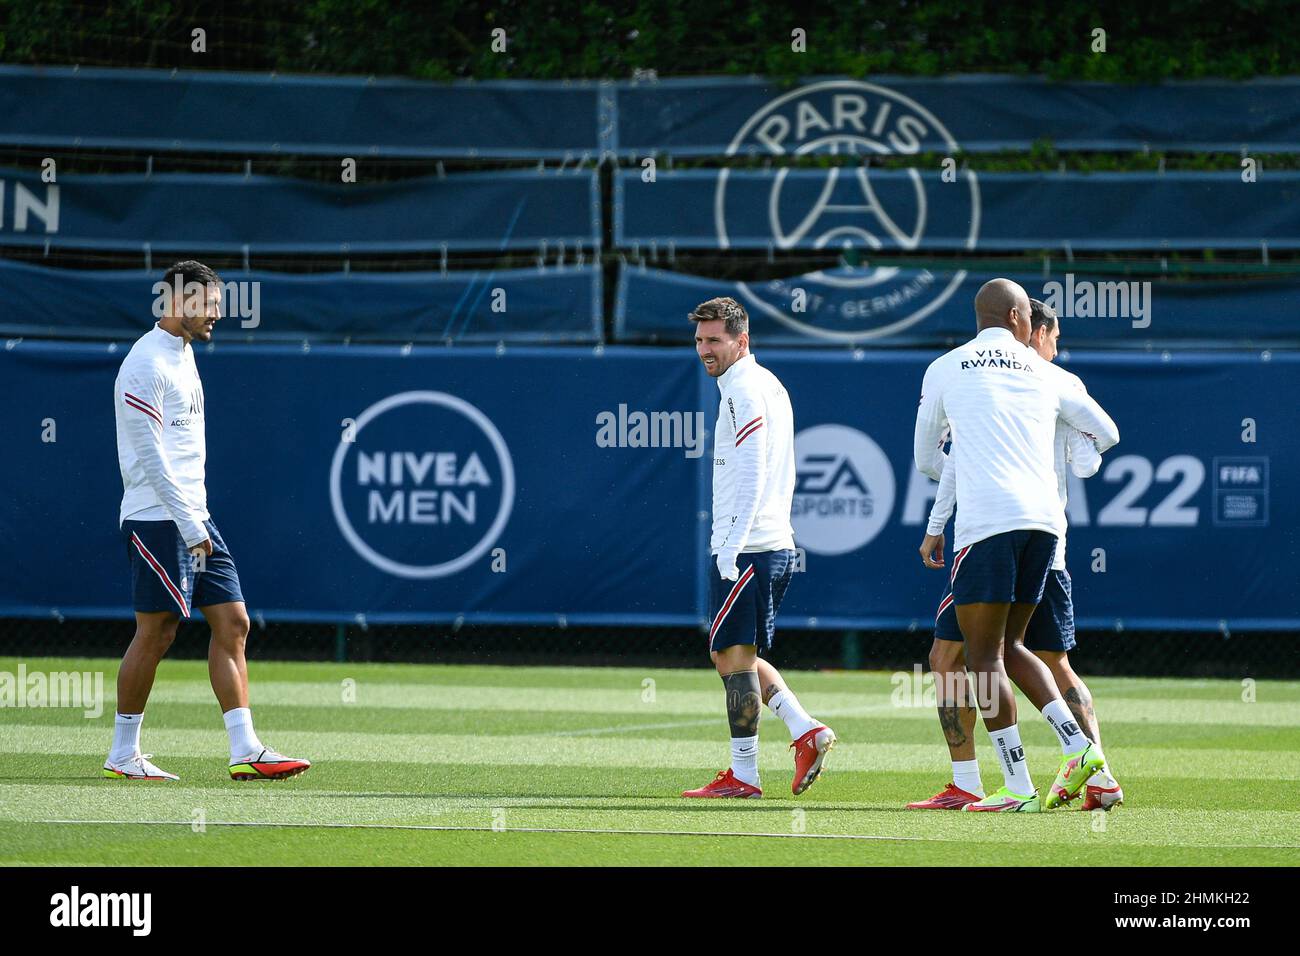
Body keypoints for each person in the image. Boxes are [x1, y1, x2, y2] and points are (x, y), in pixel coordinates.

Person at [912, 279, 1119, 812]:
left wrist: (967, 469)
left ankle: (1018, 786)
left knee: (980, 658)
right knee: (1014, 647)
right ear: (1017, 318)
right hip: (1045, 524)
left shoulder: (946, 367)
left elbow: (928, 460)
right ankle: (1080, 750)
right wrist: (1074, 444)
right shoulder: (1048, 373)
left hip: (985, 525)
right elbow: (1107, 432)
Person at [107, 260, 311, 782]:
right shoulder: (144, 363)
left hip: (194, 514)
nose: (218, 314)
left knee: (234, 622)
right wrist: (190, 526)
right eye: (210, 305)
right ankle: (122, 753)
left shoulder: (185, 353)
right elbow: (150, 458)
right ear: (178, 302)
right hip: (158, 517)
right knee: (156, 632)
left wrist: (198, 520)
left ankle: (246, 748)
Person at [681, 297, 835, 799]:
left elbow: (751, 475)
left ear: (741, 340)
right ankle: (804, 730)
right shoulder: (758, 383)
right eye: (700, 339)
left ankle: (745, 774)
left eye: (714, 340)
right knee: (730, 655)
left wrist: (730, 546)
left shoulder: (744, 390)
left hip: (749, 545)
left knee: (733, 657)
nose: (705, 349)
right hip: (764, 543)